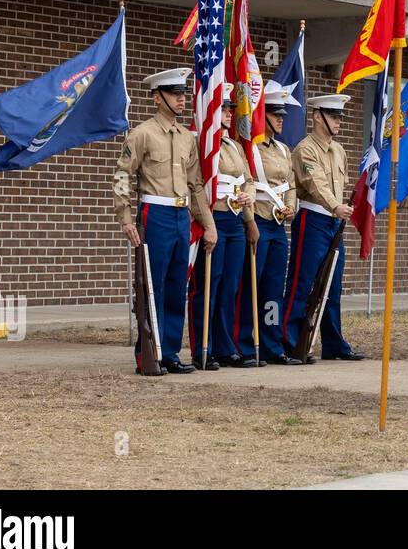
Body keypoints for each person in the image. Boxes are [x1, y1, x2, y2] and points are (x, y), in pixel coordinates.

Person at [114, 68, 216, 375]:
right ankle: (148, 353)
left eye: (183, 94)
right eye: (174, 94)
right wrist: (126, 218)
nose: (181, 100)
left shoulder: (187, 138)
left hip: (180, 216)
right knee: (153, 285)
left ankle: (170, 351)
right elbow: (122, 175)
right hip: (154, 214)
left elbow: (195, 184)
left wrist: (208, 223)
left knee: (176, 286)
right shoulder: (142, 133)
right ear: (158, 98)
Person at [284, 94, 365, 362]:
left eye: (340, 116)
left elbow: (340, 184)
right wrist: (335, 206)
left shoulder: (339, 150)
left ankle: (333, 342)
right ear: (317, 117)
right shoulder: (305, 149)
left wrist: (338, 210)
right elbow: (315, 183)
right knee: (303, 281)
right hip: (314, 219)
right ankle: (291, 342)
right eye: (333, 116)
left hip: (333, 221)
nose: (338, 121)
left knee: (333, 284)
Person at [188, 95, 259, 369]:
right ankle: (202, 348)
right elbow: (196, 186)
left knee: (230, 287)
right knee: (208, 286)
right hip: (214, 215)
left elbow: (248, 180)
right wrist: (208, 225)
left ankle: (224, 346)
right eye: (225, 108)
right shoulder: (204, 144)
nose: (230, 113)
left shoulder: (234, 146)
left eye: (231, 108)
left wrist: (248, 205)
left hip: (234, 218)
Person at [241, 82, 301, 365]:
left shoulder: (283, 149)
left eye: (282, 115)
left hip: (278, 225)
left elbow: (290, 183)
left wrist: (291, 206)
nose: (281, 119)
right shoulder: (251, 148)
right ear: (262, 114)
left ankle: (271, 344)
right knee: (251, 285)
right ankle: (244, 342)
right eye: (276, 113)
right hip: (258, 220)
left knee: (274, 289)